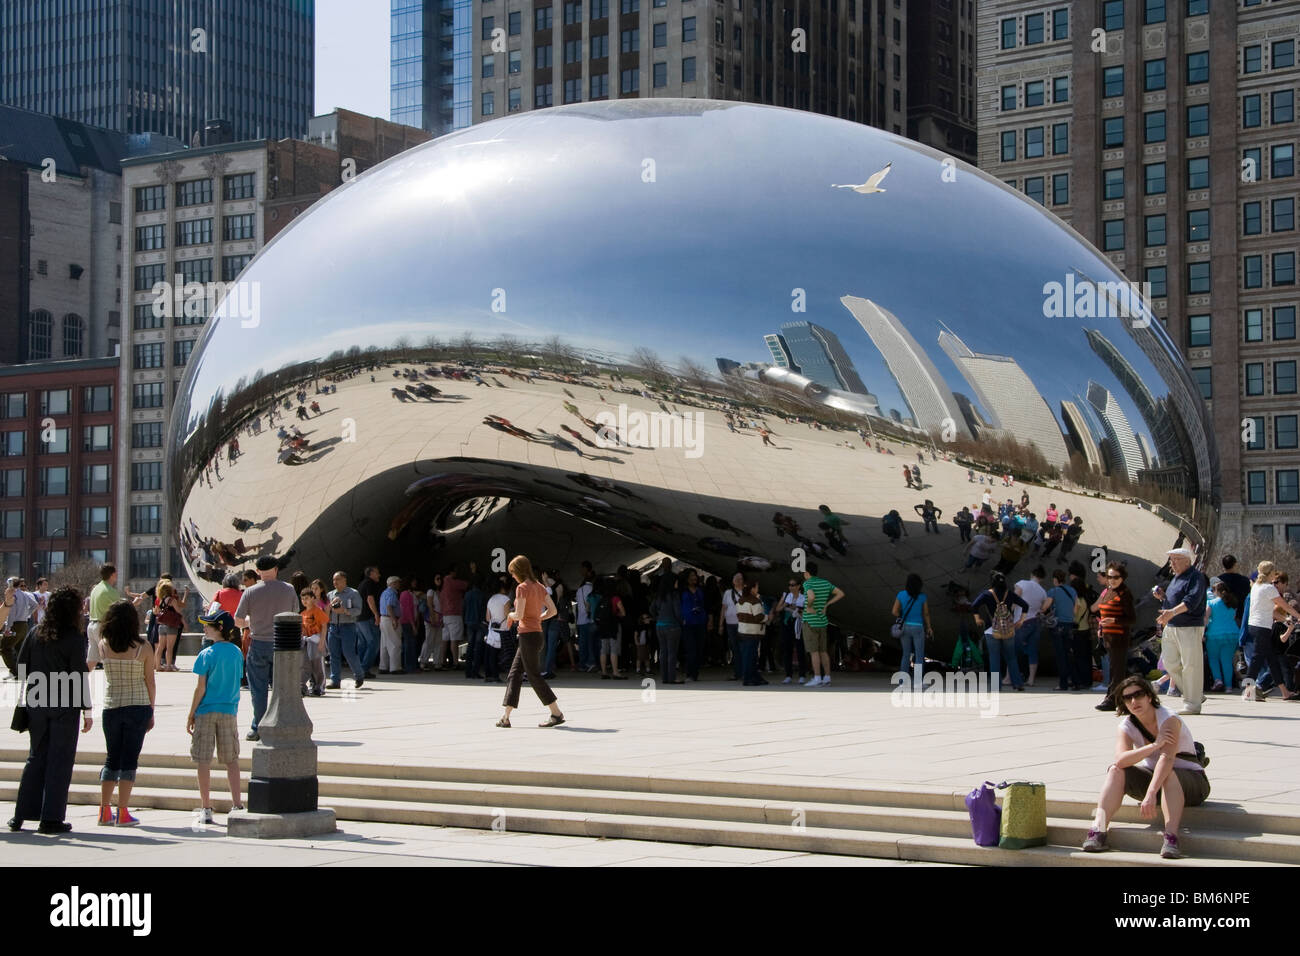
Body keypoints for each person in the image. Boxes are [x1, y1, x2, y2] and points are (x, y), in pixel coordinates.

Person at [1081, 675, 1210, 859]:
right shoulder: (1127, 725)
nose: (1134, 701)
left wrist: (1150, 794)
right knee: (1115, 770)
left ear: (1149, 696)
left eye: (1138, 695)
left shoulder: (1169, 719)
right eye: (1127, 698)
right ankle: (1098, 830)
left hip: (1193, 783)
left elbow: (1167, 758)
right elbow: (1121, 760)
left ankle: (1171, 837)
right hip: (1157, 781)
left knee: (1169, 773)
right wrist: (1154, 745)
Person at [8, 586, 93, 834]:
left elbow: (21, 664)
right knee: (60, 761)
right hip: (64, 705)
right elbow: (79, 676)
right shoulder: (73, 638)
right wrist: (87, 711)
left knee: (35, 758)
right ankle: (51, 818)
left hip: (37, 702)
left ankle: (20, 814)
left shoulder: (35, 633)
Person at [96, 600, 155, 826]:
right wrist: (151, 709)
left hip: (111, 706)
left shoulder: (103, 644)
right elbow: (150, 681)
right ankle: (123, 811)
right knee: (130, 760)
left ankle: (104, 810)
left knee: (112, 758)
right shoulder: (144, 647)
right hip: (137, 705)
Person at [188, 609, 246, 824]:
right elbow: (237, 679)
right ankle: (237, 804)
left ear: (219, 628)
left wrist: (191, 713)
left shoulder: (206, 654)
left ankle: (205, 807)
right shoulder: (237, 652)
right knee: (231, 759)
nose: (204, 627)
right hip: (229, 710)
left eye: (208, 624)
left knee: (203, 760)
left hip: (205, 710)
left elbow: (200, 688)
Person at [233, 555, 299, 741]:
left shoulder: (250, 592)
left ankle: (258, 726)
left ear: (258, 571)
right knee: (283, 688)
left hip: (259, 643)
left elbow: (238, 621)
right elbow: (295, 614)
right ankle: (283, 723)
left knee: (258, 689)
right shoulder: (289, 589)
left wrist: (251, 621)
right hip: (282, 643)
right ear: (276, 569)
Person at [497, 555, 565, 728]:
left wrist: (509, 615)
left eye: (513, 572)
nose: (512, 576)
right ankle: (505, 717)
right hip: (536, 635)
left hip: (527, 636)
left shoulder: (522, 588)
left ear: (519, 571)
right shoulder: (539, 587)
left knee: (533, 676)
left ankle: (556, 713)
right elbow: (553, 610)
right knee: (514, 673)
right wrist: (538, 618)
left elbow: (518, 615)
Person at [1153, 547, 1209, 715]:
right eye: (1171, 560)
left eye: (1176, 559)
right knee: (1170, 663)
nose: (1172, 563)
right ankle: (1195, 694)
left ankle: (1193, 704)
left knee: (1191, 665)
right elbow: (1176, 599)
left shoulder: (1196, 577)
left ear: (1187, 560)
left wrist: (1171, 612)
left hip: (1189, 626)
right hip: (1172, 625)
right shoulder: (1177, 578)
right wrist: (1163, 598)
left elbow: (1191, 601)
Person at [1244, 561, 1300, 700]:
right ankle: (1248, 692)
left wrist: (1284, 619)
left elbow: (1269, 610)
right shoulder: (1269, 588)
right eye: (1274, 573)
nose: (1275, 576)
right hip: (1262, 627)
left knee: (1272, 660)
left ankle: (1284, 692)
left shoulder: (1256, 586)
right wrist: (1298, 616)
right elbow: (1284, 605)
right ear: (1270, 574)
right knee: (1257, 659)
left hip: (1255, 625)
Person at [971, 571, 1029, 691]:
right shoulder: (1010, 594)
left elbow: (974, 605)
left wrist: (977, 619)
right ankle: (1017, 683)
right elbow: (1025, 606)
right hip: (1008, 629)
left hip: (991, 631)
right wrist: (1020, 621)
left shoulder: (987, 594)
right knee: (1011, 657)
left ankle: (996, 686)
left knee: (994, 657)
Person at [1093, 561, 1137, 711]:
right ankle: (1115, 698)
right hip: (1108, 637)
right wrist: (1101, 627)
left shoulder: (1125, 593)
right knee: (1114, 670)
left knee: (1117, 671)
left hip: (1119, 638)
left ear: (1122, 577)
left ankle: (1114, 700)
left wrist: (1114, 620)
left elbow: (1132, 619)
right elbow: (1103, 612)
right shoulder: (1109, 591)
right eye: (1109, 576)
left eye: (1116, 577)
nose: (1112, 580)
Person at [87, 563, 145, 668]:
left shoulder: (95, 589)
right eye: (116, 573)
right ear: (112, 574)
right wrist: (134, 603)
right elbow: (122, 609)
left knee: (92, 659)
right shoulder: (110, 591)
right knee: (109, 659)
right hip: (102, 627)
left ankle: (80, 681)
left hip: (91, 625)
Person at [801, 562, 843, 687]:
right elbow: (840, 593)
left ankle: (817, 677)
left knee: (814, 651)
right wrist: (827, 604)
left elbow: (811, 596)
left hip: (810, 621)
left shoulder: (807, 583)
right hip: (822, 621)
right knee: (823, 651)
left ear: (807, 573)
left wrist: (808, 606)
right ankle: (827, 677)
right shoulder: (825, 583)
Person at [325, 571, 365, 690]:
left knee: (349, 653)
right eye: (333, 580)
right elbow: (323, 609)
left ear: (344, 580)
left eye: (338, 579)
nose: (335, 582)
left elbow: (358, 610)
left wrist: (345, 611)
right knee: (333, 655)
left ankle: (359, 676)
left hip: (348, 626)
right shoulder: (330, 595)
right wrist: (330, 607)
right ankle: (335, 680)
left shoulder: (353, 593)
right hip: (333, 627)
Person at [1013, 566, 1051, 687]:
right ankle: (1031, 679)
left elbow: (1014, 600)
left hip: (1021, 621)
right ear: (1042, 578)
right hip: (1035, 622)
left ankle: (1010, 677)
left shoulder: (1022, 584)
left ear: (1032, 574)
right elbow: (1043, 609)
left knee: (1013, 650)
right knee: (1032, 651)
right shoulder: (1043, 592)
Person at [1044, 569, 1079, 691]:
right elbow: (1076, 608)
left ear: (1055, 579)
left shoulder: (1053, 591)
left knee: (1060, 656)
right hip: (1069, 625)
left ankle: (1063, 684)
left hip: (1058, 625)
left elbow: (1045, 607)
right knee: (1069, 654)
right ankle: (1075, 682)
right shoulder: (1072, 590)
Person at [892, 573, 932, 679]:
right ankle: (918, 682)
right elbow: (926, 613)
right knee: (919, 656)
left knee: (905, 654)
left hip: (904, 627)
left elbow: (894, 611)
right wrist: (929, 627)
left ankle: (902, 682)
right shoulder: (922, 596)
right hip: (918, 628)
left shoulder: (901, 594)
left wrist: (903, 616)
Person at [2, 576, 40, 680]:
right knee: (20, 649)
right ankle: (23, 673)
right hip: (24, 625)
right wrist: (26, 614)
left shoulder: (12, 595)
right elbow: (35, 604)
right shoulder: (25, 594)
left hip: (15, 625)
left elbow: (11, 613)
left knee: (4, 647)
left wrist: (8, 628)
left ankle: (15, 671)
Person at [1204, 582, 1239, 694]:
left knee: (1213, 658)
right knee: (1227, 660)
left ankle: (1218, 680)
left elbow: (1206, 618)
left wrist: (1202, 633)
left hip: (1214, 634)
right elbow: (1233, 617)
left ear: (1216, 591)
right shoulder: (1232, 603)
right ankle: (1228, 686)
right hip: (1232, 634)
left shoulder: (1211, 603)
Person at [651, 562, 683, 684]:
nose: (677, 584)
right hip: (673, 626)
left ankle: (664, 677)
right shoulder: (674, 595)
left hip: (660, 626)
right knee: (672, 653)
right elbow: (678, 611)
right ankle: (672, 677)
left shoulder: (659, 596)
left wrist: (657, 617)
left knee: (663, 652)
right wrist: (681, 621)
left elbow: (651, 609)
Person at [735, 580, 769, 686]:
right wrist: (768, 617)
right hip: (752, 633)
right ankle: (749, 678)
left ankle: (753, 676)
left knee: (746, 655)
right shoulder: (755, 601)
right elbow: (759, 617)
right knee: (751, 656)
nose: (758, 589)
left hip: (742, 631)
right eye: (757, 587)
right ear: (752, 589)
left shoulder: (740, 600)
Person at [775, 578, 808, 683]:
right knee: (787, 650)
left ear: (798, 586)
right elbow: (777, 609)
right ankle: (788, 675)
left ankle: (802, 675)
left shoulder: (803, 597)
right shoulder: (786, 596)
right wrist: (785, 603)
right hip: (786, 624)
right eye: (789, 585)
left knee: (800, 649)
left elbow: (805, 612)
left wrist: (795, 608)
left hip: (798, 624)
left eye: (793, 585)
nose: (791, 587)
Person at [300, 586, 330, 696]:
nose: (305, 601)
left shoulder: (317, 611)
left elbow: (324, 626)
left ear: (313, 598)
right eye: (303, 599)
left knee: (318, 666)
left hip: (316, 641)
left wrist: (322, 642)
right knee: (305, 666)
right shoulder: (302, 614)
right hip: (306, 642)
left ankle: (320, 687)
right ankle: (302, 687)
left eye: (307, 598)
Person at [680, 569, 708, 682]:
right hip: (688, 623)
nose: (694, 578)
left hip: (700, 621)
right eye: (691, 576)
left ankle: (695, 673)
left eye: (695, 575)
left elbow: (705, 604)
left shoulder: (700, 590)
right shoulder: (682, 591)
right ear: (687, 578)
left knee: (699, 649)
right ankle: (689, 673)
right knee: (691, 649)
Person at [153, 579, 187, 672]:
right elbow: (179, 613)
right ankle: (168, 666)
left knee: (160, 647)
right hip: (171, 626)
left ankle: (158, 666)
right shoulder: (172, 600)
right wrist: (185, 624)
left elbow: (157, 611)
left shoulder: (161, 600)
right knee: (169, 647)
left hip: (162, 625)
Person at [440, 568, 469, 671]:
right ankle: (455, 662)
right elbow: (466, 585)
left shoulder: (443, 587)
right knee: (454, 640)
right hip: (455, 614)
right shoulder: (453, 582)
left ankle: (442, 661)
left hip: (445, 615)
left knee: (444, 640)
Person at [357, 566, 383, 678]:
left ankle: (359, 669)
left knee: (362, 644)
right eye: (377, 573)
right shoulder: (370, 583)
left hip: (359, 618)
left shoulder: (362, 584)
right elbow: (370, 599)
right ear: (371, 573)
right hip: (368, 618)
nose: (379, 575)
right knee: (374, 643)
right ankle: (364, 669)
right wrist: (376, 614)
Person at [719, 572, 745, 681]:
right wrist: (720, 624)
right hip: (730, 624)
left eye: (740, 579)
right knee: (734, 649)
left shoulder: (746, 592)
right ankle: (737, 673)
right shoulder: (727, 593)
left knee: (743, 648)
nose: (738, 581)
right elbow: (724, 608)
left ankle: (744, 672)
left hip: (743, 624)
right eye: (736, 579)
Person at [378, 575, 403, 674]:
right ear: (393, 583)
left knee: (384, 644)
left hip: (383, 619)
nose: (399, 584)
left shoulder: (384, 593)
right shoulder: (392, 593)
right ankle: (395, 667)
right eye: (397, 582)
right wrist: (394, 619)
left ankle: (383, 666)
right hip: (389, 619)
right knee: (395, 643)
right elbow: (389, 606)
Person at [1217, 555, 1251, 628]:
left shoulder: (1218, 581)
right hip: (1240, 615)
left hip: (1222, 616)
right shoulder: (1245, 581)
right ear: (1235, 564)